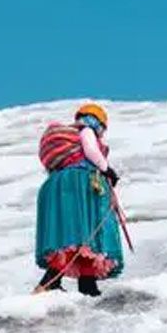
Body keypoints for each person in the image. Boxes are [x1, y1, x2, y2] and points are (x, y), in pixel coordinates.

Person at [34, 103, 124, 296]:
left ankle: (86, 283)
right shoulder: (86, 130)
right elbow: (91, 150)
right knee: (85, 233)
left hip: (62, 184)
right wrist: (107, 169)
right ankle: (54, 282)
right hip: (82, 182)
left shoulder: (70, 139)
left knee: (75, 235)